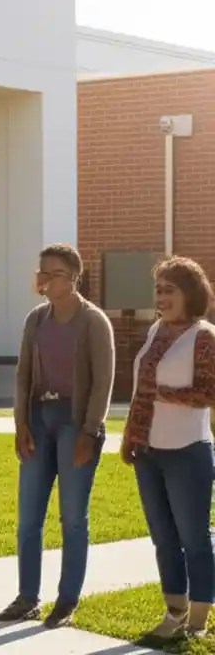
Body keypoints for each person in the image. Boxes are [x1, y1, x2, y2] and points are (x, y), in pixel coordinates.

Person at [0, 244, 114, 628]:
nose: (44, 279)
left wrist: (90, 431)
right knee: (28, 518)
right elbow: (23, 374)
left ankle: (67, 600)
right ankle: (27, 598)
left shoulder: (94, 321)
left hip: (75, 423)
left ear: (74, 277)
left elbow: (103, 382)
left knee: (73, 518)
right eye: (41, 272)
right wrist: (20, 424)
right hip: (38, 421)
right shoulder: (36, 319)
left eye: (53, 273)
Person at [121, 256, 215, 641]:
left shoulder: (204, 335)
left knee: (194, 537)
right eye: (158, 289)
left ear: (189, 293)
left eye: (169, 289)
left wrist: (165, 394)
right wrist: (130, 437)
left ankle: (198, 620)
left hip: (188, 450)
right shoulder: (156, 331)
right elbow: (139, 392)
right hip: (149, 450)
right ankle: (173, 612)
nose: (161, 296)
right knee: (163, 536)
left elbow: (208, 391)